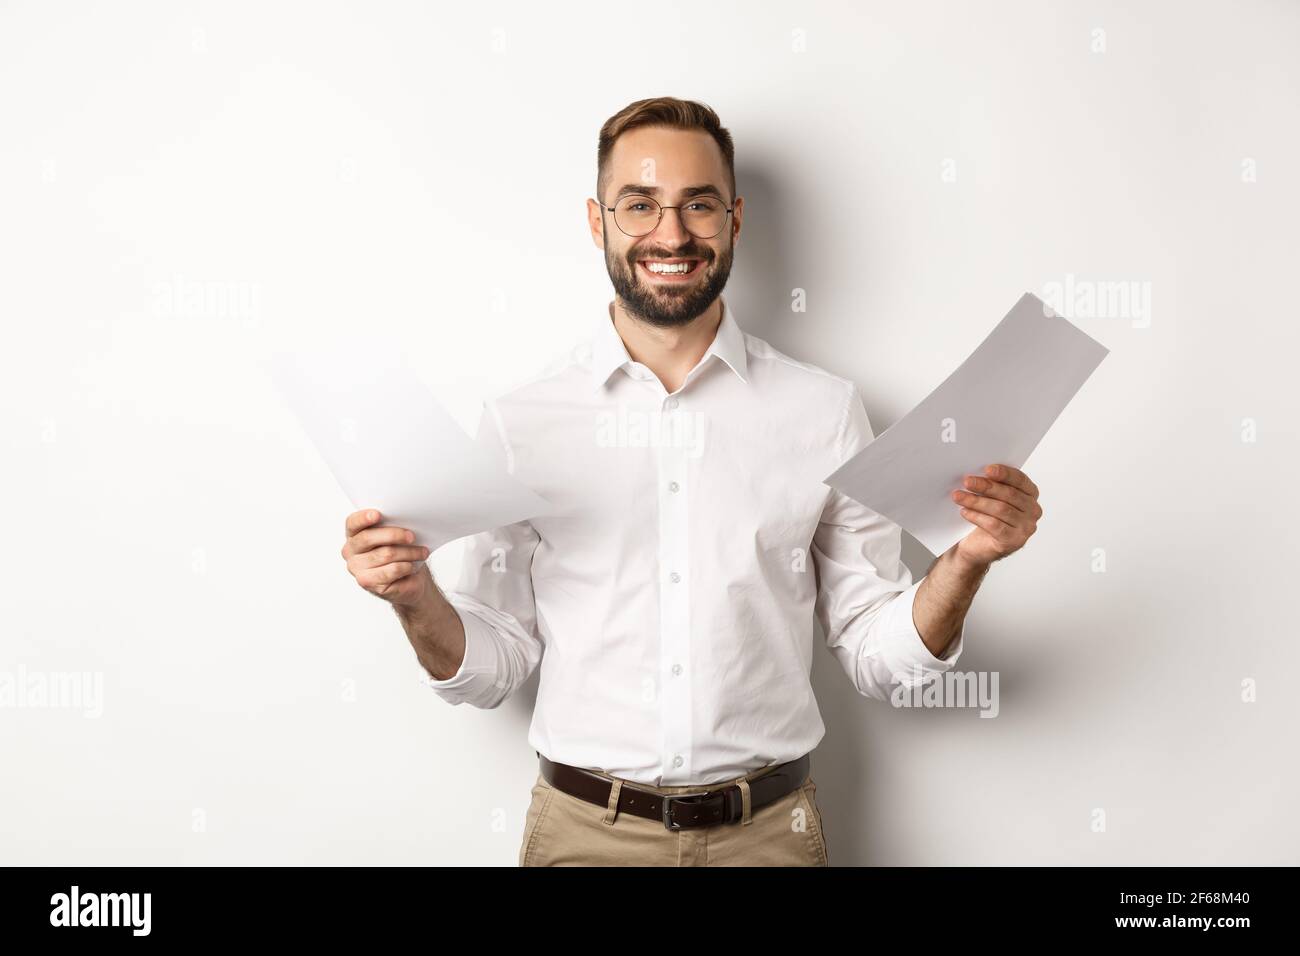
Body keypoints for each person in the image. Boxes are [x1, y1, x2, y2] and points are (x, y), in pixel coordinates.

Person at [339, 97, 1042, 866]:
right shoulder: (521, 423)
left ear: (734, 220)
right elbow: (487, 673)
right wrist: (413, 596)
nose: (670, 235)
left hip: (771, 838)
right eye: (639, 205)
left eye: (697, 205)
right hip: (583, 839)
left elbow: (880, 659)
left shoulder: (825, 411)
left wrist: (965, 561)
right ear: (596, 219)